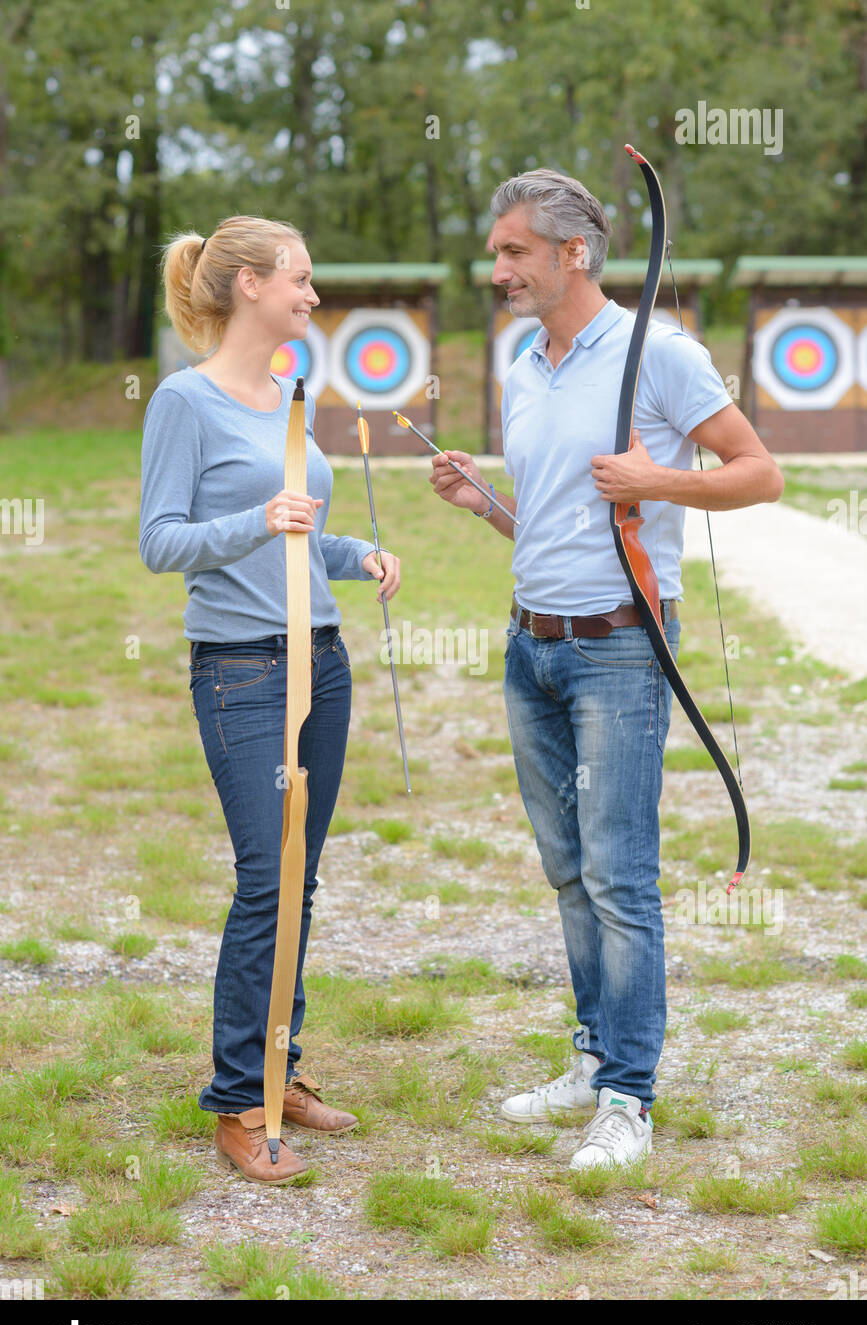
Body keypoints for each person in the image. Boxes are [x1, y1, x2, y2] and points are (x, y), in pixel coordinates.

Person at [428, 170, 783, 1170]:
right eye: (496, 253)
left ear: (572, 252)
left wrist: (657, 480)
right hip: (529, 643)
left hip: (621, 648)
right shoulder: (522, 362)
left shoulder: (657, 354)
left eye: (512, 252)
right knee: (570, 869)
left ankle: (629, 1096)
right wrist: (484, 502)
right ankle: (591, 1058)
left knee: (622, 877)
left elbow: (760, 469)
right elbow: (549, 522)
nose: (496, 269)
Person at [140, 216, 401, 1183]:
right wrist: (260, 517)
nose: (313, 296)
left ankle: (277, 1066)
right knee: (266, 877)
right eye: (300, 278)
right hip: (242, 673)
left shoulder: (292, 394)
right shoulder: (184, 402)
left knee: (305, 877)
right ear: (248, 283)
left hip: (320, 661)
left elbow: (300, 536)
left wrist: (353, 551)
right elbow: (163, 540)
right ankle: (237, 1105)